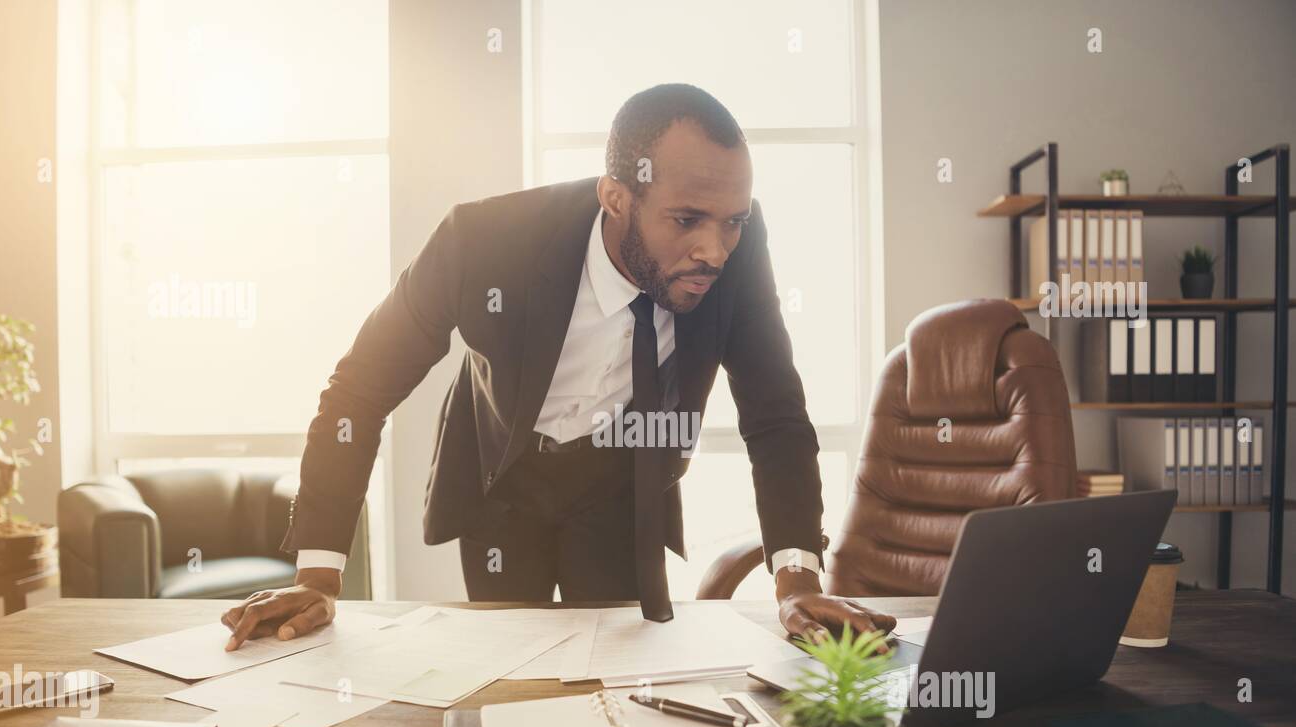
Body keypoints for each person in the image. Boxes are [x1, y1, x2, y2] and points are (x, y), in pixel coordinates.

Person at [224, 83, 894, 650]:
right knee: (506, 667)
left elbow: (775, 417)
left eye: (732, 222)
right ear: (616, 197)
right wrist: (317, 576)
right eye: (687, 219)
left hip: (623, 482)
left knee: (621, 672)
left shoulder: (737, 255)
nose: (713, 251)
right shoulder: (484, 244)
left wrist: (797, 582)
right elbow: (359, 391)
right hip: (503, 476)